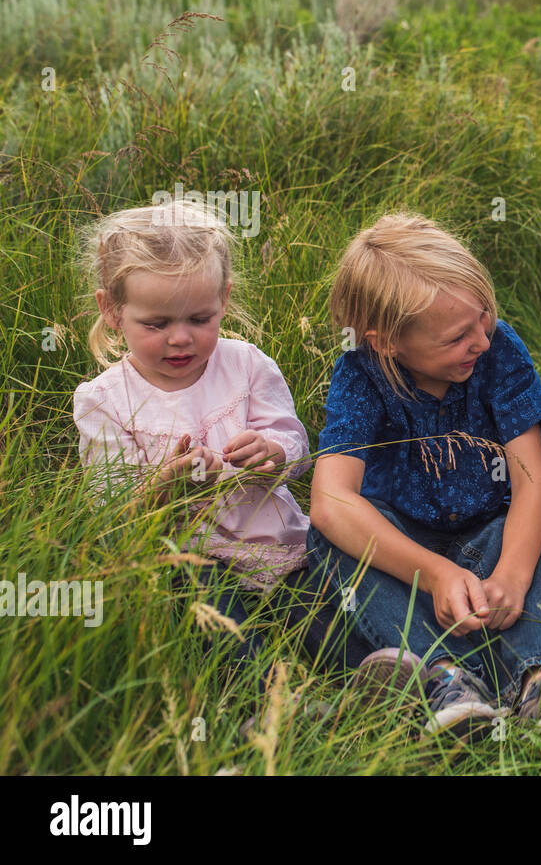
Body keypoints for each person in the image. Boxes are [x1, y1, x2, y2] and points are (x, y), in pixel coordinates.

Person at [307, 212, 541, 742]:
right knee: (337, 545)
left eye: (483, 317)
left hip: (489, 527)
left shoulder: (498, 350)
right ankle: (445, 683)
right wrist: (433, 573)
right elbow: (330, 500)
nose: (480, 340)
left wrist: (511, 572)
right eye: (458, 337)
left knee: (536, 546)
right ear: (387, 342)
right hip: (403, 546)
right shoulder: (360, 373)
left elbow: (531, 480)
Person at [72, 199, 367, 699]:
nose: (180, 338)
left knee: (324, 615)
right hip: (190, 559)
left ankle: (378, 681)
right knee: (212, 617)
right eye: (156, 323)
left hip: (275, 543)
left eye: (199, 317)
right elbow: (112, 512)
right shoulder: (104, 400)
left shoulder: (245, 365)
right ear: (112, 311)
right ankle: (271, 699)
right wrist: (168, 483)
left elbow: (298, 451)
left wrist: (272, 452)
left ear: (224, 300)